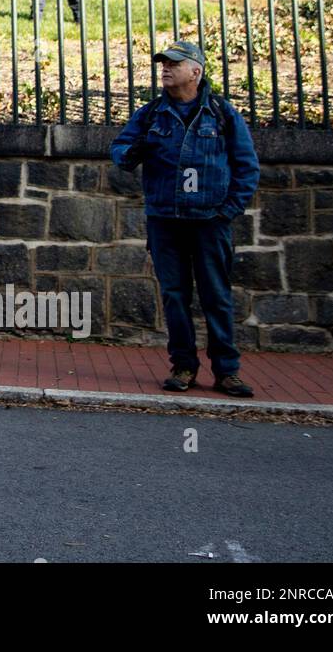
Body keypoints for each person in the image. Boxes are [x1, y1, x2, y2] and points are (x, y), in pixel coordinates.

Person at [111, 40, 260, 397]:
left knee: (216, 296)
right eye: (163, 63)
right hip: (165, 220)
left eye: (174, 63)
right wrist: (133, 150)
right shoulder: (150, 115)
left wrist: (227, 211)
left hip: (210, 221)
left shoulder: (222, 114)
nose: (165, 68)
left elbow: (247, 167)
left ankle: (227, 371)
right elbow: (119, 150)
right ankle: (183, 366)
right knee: (175, 296)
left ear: (196, 70)